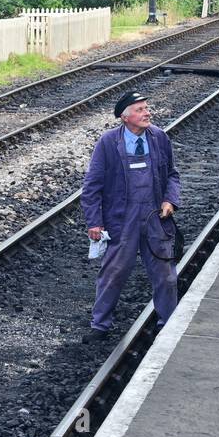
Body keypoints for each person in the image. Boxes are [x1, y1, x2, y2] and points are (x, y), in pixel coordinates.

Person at [79, 90, 181, 344]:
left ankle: (167, 323)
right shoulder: (108, 142)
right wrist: (94, 222)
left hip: (155, 218)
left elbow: (172, 175)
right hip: (122, 221)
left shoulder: (159, 137)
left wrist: (170, 200)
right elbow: (92, 186)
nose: (147, 113)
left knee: (166, 274)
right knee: (113, 273)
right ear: (125, 117)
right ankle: (100, 325)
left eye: (147, 108)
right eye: (140, 109)